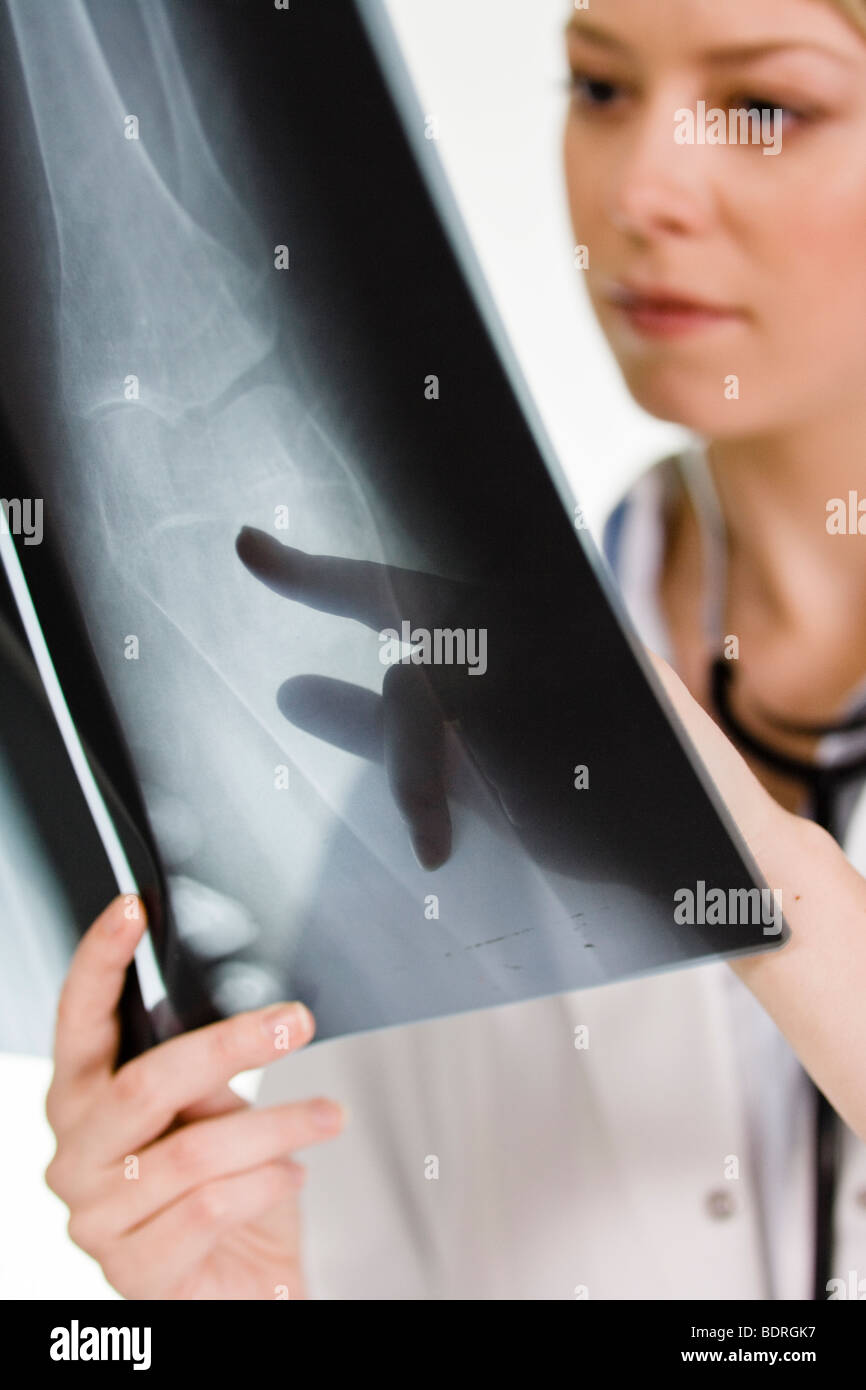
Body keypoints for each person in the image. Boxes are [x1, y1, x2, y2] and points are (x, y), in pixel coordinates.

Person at [44, 0, 866, 1299]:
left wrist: (772, 892)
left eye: (761, 109)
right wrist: (246, 1288)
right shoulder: (426, 731)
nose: (643, 185)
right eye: (598, 88)